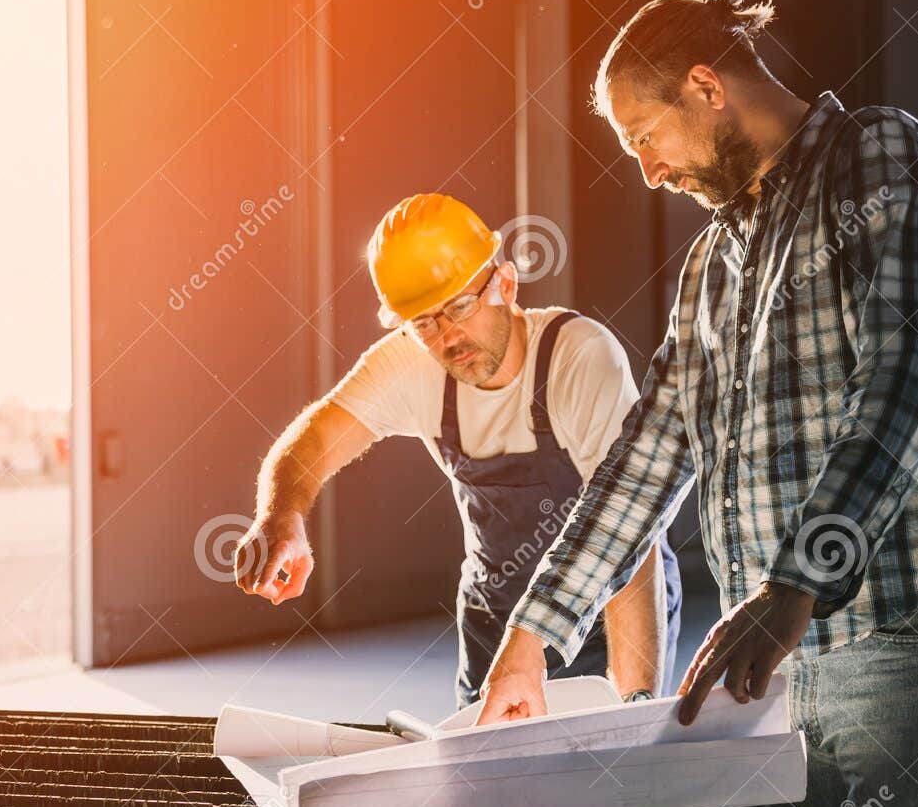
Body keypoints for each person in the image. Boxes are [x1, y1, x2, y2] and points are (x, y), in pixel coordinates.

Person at [476, 0, 918, 807]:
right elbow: (648, 450)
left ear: (706, 87)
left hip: (911, 634)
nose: (650, 171)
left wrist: (795, 587)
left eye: (645, 137)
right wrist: (536, 630)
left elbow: (906, 384)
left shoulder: (880, 160)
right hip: (780, 654)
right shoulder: (714, 261)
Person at [233, 193, 682, 709]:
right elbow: (314, 436)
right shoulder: (411, 362)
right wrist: (280, 512)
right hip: (494, 622)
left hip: (605, 615)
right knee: (487, 782)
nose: (448, 337)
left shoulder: (579, 358)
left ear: (506, 283)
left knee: (603, 773)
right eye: (424, 322)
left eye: (461, 307)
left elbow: (629, 535)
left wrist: (633, 707)